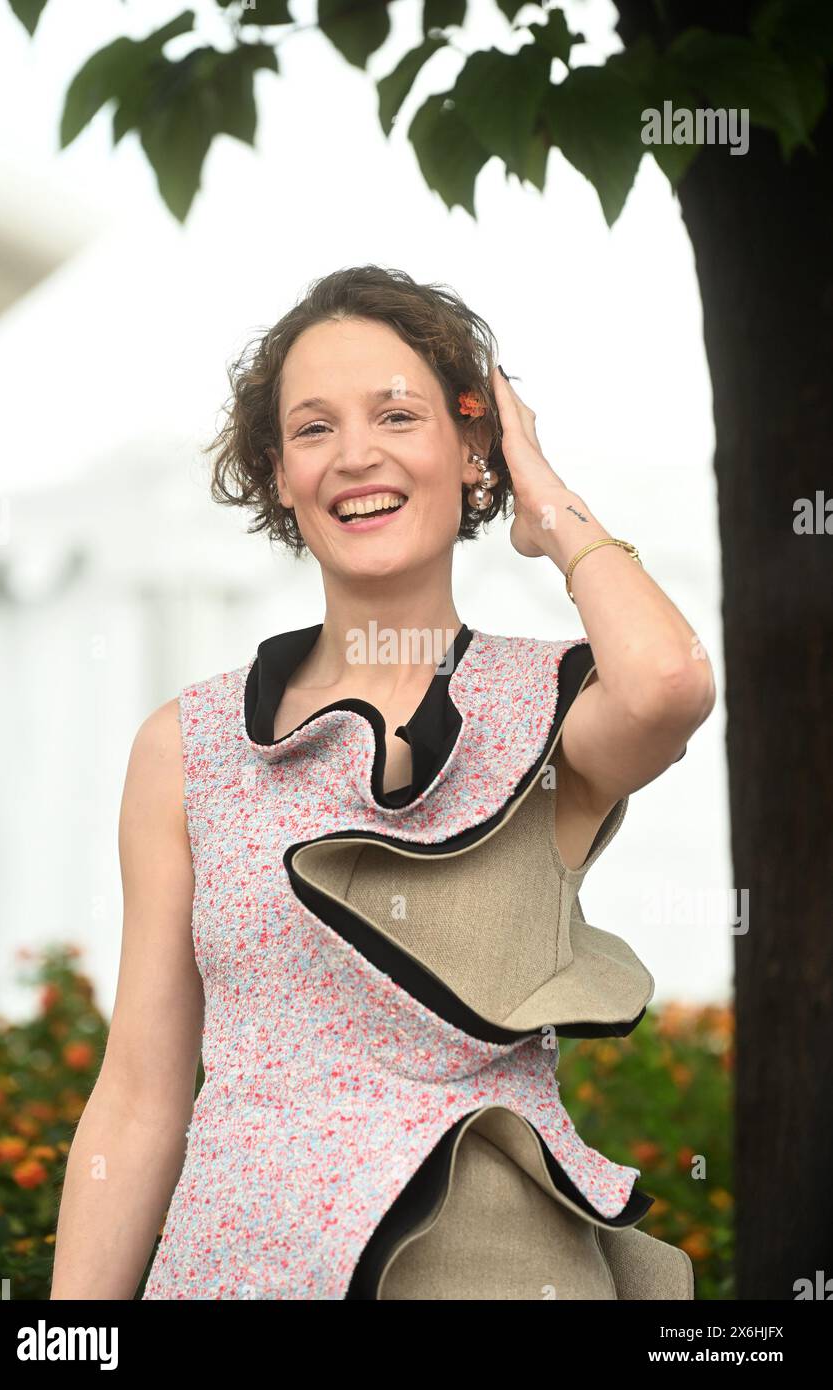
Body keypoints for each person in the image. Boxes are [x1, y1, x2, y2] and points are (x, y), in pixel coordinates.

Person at [50, 264, 715, 1300]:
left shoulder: (550, 704)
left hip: (494, 1269)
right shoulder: (188, 745)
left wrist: (545, 501)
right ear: (277, 475)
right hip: (239, 1270)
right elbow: (138, 1093)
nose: (354, 453)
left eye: (396, 414)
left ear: (469, 449)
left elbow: (671, 681)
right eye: (312, 429)